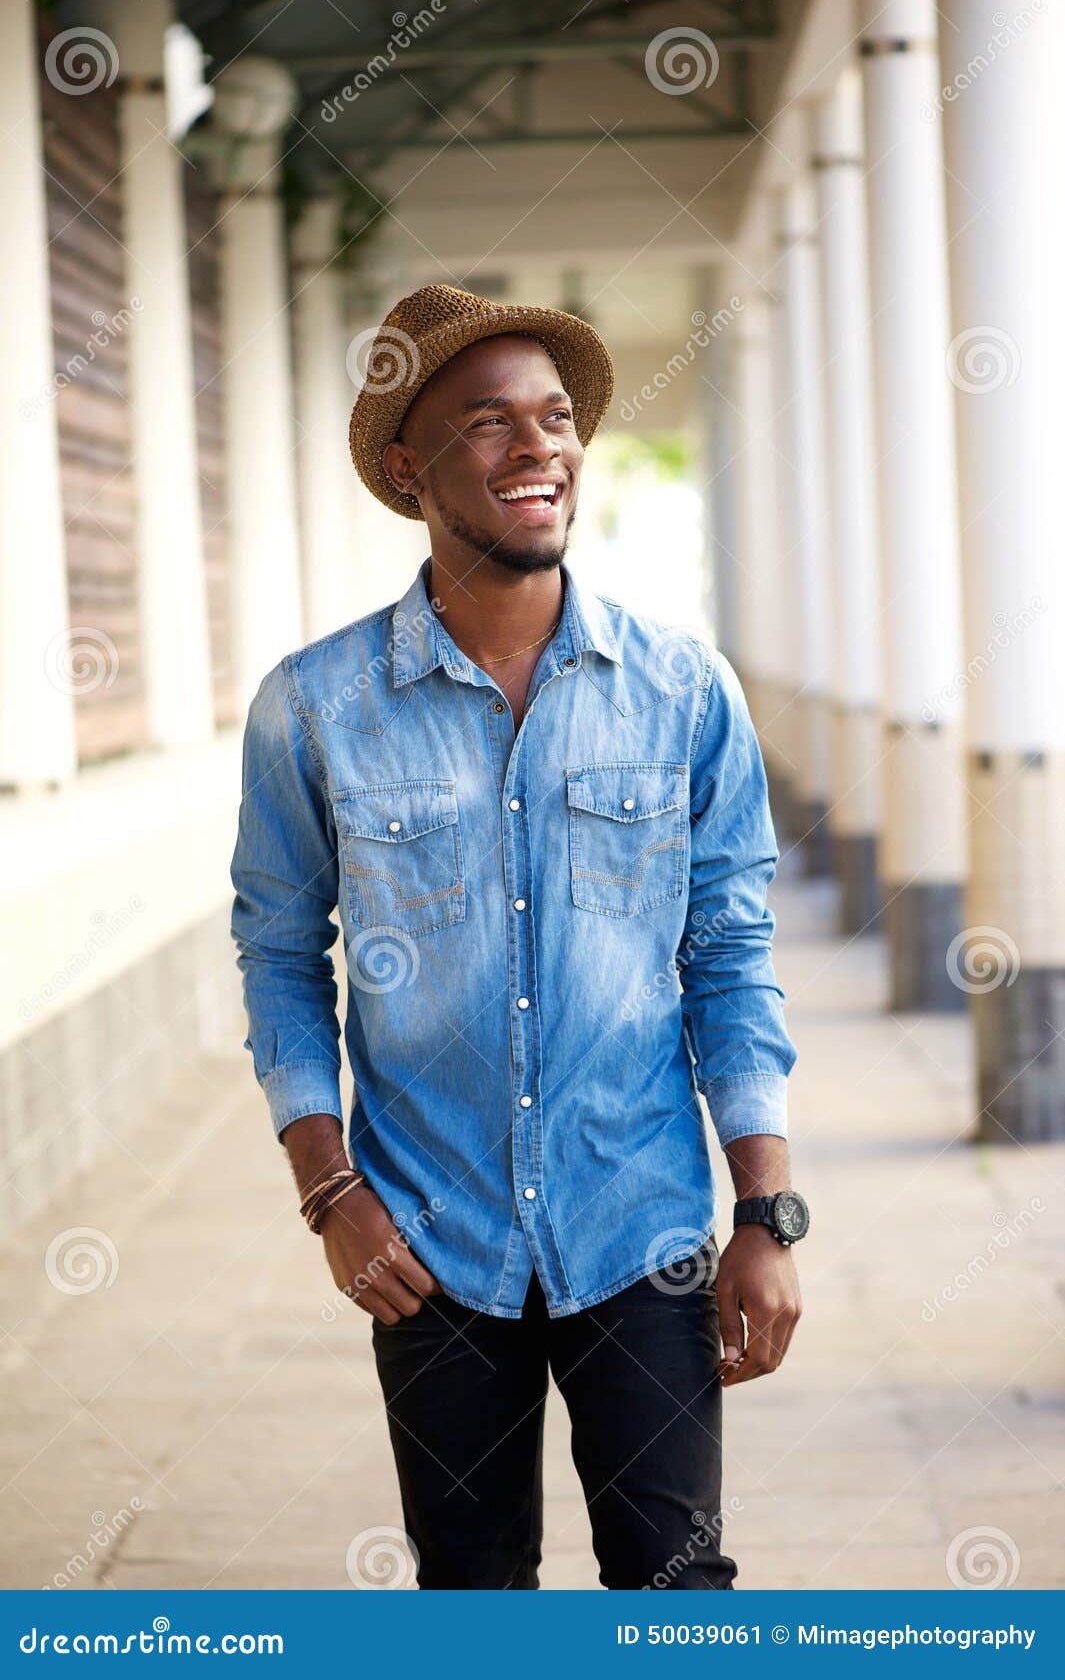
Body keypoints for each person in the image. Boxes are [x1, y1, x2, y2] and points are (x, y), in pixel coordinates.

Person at [230, 282, 807, 1591]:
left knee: (675, 1590)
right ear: (404, 463)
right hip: (427, 1243)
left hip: (640, 1225)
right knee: (472, 1593)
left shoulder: (680, 691)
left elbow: (727, 953)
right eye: (485, 422)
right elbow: (275, 949)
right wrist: (330, 1191)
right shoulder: (315, 708)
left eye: (551, 417)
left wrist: (764, 1208)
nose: (535, 444)